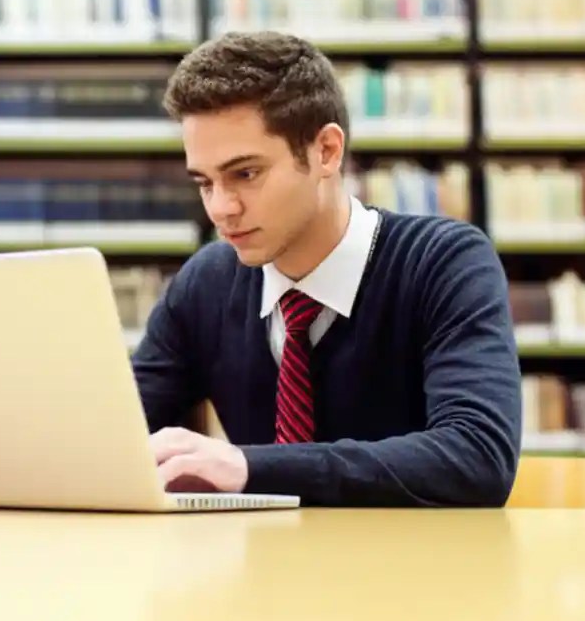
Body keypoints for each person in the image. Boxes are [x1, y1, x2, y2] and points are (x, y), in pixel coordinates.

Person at [133, 31, 522, 507]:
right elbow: (119, 441)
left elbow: (477, 459)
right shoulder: (206, 283)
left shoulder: (443, 263)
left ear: (326, 152)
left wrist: (249, 467)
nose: (221, 208)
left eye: (245, 174)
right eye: (204, 182)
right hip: (262, 576)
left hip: (417, 573)